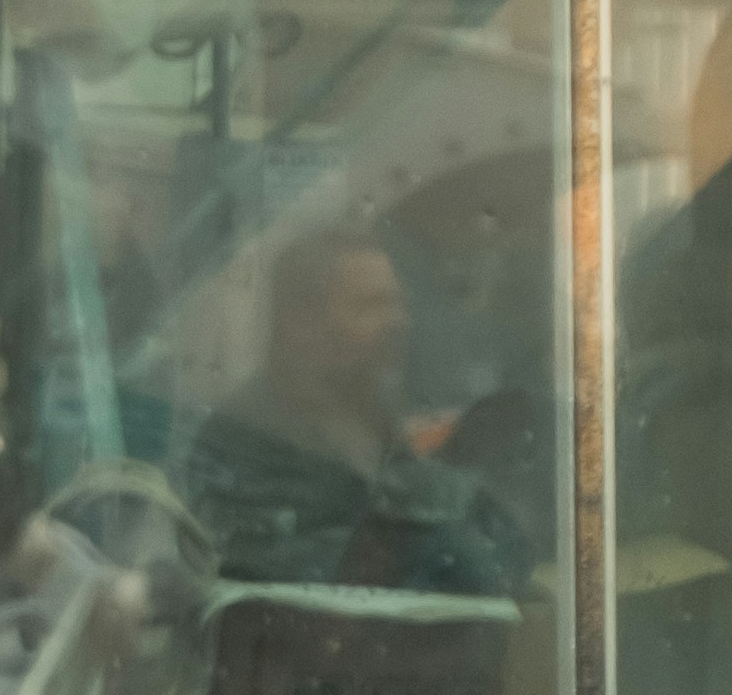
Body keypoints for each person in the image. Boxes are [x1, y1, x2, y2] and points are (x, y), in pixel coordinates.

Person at [175, 225, 530, 600]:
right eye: (372, 306)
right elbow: (288, 584)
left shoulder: (377, 419)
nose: (399, 321)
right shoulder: (245, 437)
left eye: (398, 303)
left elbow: (499, 548)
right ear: (300, 325)